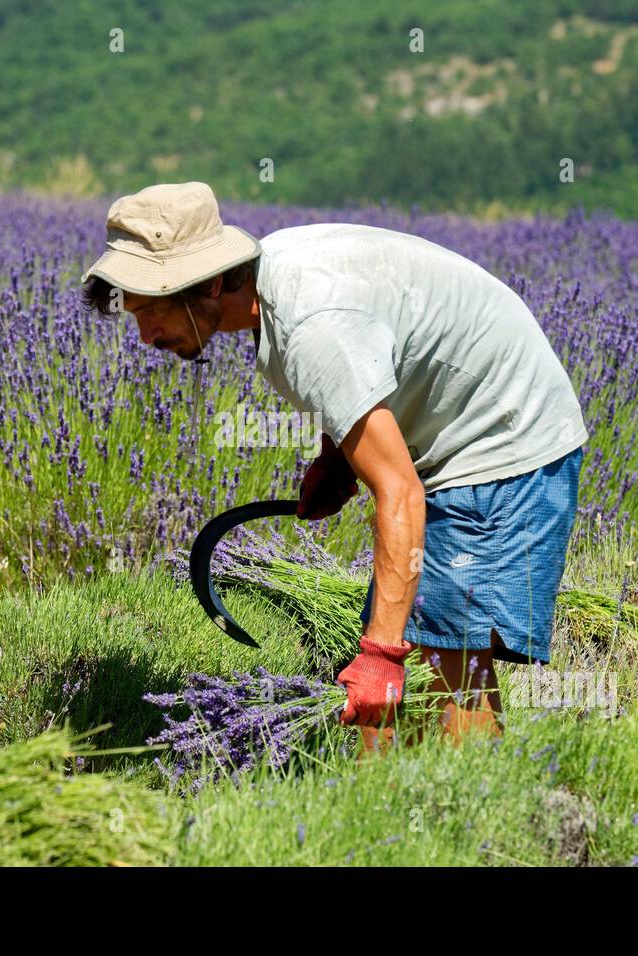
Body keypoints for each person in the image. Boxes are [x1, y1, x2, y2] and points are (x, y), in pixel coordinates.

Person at [81, 181, 587, 750]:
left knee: (446, 659)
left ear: (213, 280)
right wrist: (337, 459)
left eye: (153, 309)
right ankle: (387, 816)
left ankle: (470, 811)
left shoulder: (308, 327)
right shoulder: (274, 288)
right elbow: (372, 352)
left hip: (503, 442)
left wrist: (379, 656)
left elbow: (400, 492)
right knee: (407, 661)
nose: (146, 336)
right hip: (452, 428)